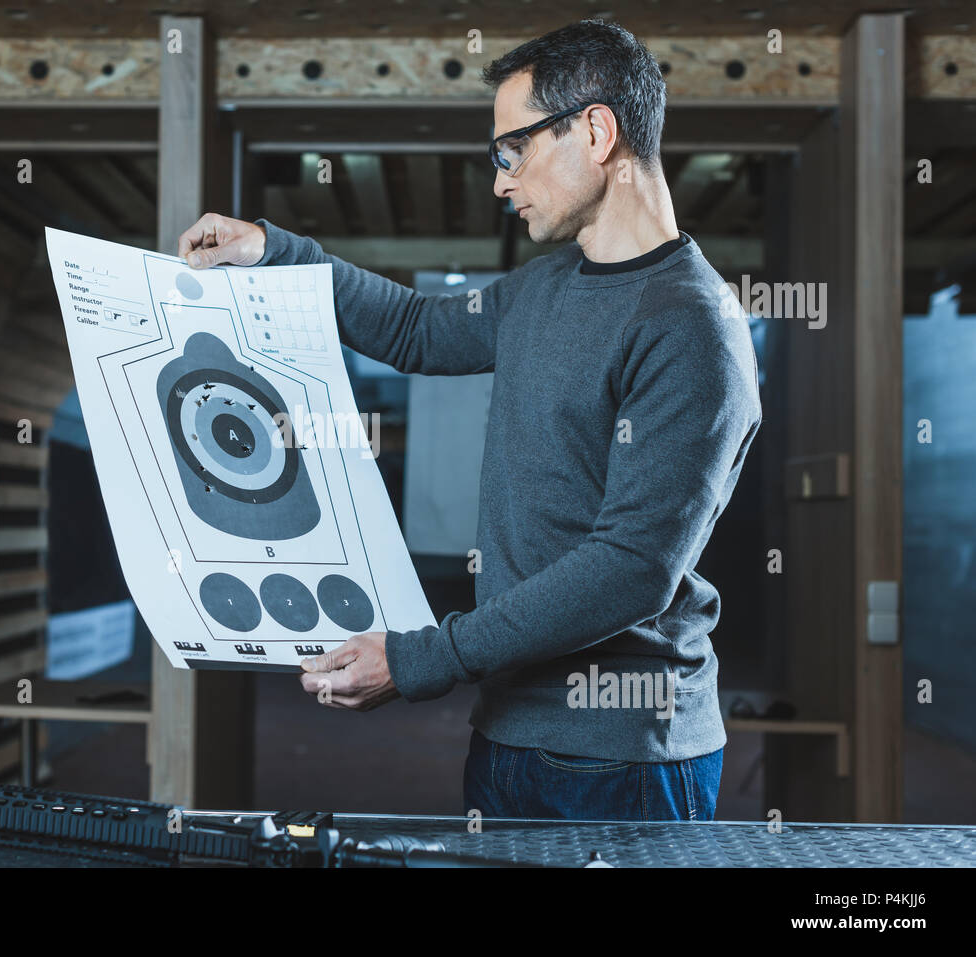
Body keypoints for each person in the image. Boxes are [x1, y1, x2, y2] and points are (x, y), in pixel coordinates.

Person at [177, 19, 762, 822]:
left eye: (512, 149)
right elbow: (416, 328)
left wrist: (423, 658)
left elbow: (631, 567)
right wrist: (275, 252)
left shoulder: (693, 326)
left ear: (595, 131)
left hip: (622, 756)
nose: (501, 180)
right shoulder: (541, 289)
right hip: (508, 732)